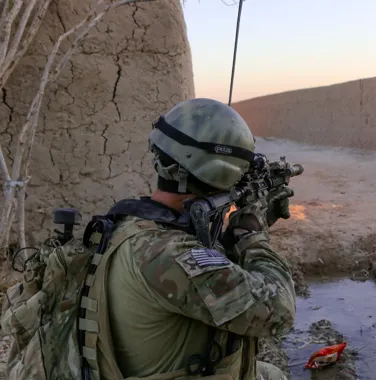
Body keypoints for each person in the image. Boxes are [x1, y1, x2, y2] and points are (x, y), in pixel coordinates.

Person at [78, 98, 296, 380]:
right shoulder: (168, 254)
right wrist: (253, 236)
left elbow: (216, 273)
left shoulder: (135, 225)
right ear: (220, 174)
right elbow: (279, 312)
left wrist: (243, 230)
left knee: (270, 374)